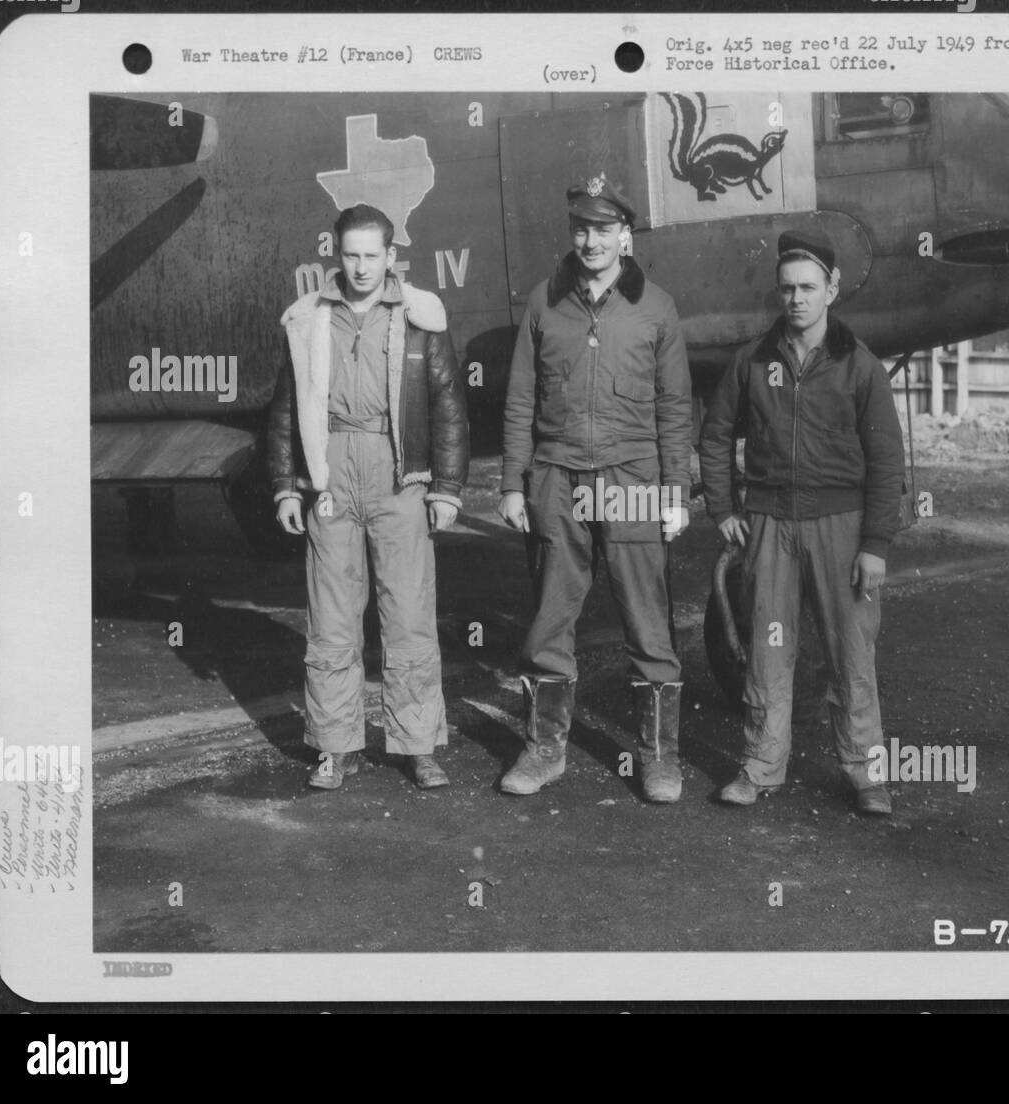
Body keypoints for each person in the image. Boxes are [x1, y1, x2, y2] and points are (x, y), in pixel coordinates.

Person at [498, 173, 692, 802]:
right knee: (551, 619)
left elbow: (674, 406)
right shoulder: (542, 303)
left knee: (647, 619)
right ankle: (544, 749)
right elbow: (520, 398)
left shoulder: (656, 307)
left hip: (633, 478)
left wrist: (675, 494)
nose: (590, 241)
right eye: (581, 229)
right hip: (557, 475)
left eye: (603, 230)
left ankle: (659, 760)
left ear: (625, 237)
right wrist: (510, 483)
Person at [699, 230, 905, 814]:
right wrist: (722, 509)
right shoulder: (751, 362)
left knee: (851, 653)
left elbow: (888, 460)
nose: (797, 299)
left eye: (809, 288)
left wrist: (875, 545)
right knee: (769, 651)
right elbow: (714, 436)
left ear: (832, 290)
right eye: (787, 288)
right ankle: (761, 767)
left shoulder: (860, 367)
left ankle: (866, 774)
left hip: (842, 527)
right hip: (768, 527)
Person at [268, 203, 468, 790]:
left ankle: (417, 744)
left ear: (390, 256)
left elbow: (449, 406)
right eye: (349, 254)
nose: (360, 267)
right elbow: (284, 408)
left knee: (407, 614)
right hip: (330, 475)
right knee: (331, 620)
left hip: (398, 476)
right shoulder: (307, 320)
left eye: (371, 255)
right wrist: (286, 486)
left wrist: (448, 488)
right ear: (334, 253)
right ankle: (336, 746)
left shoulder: (420, 317)